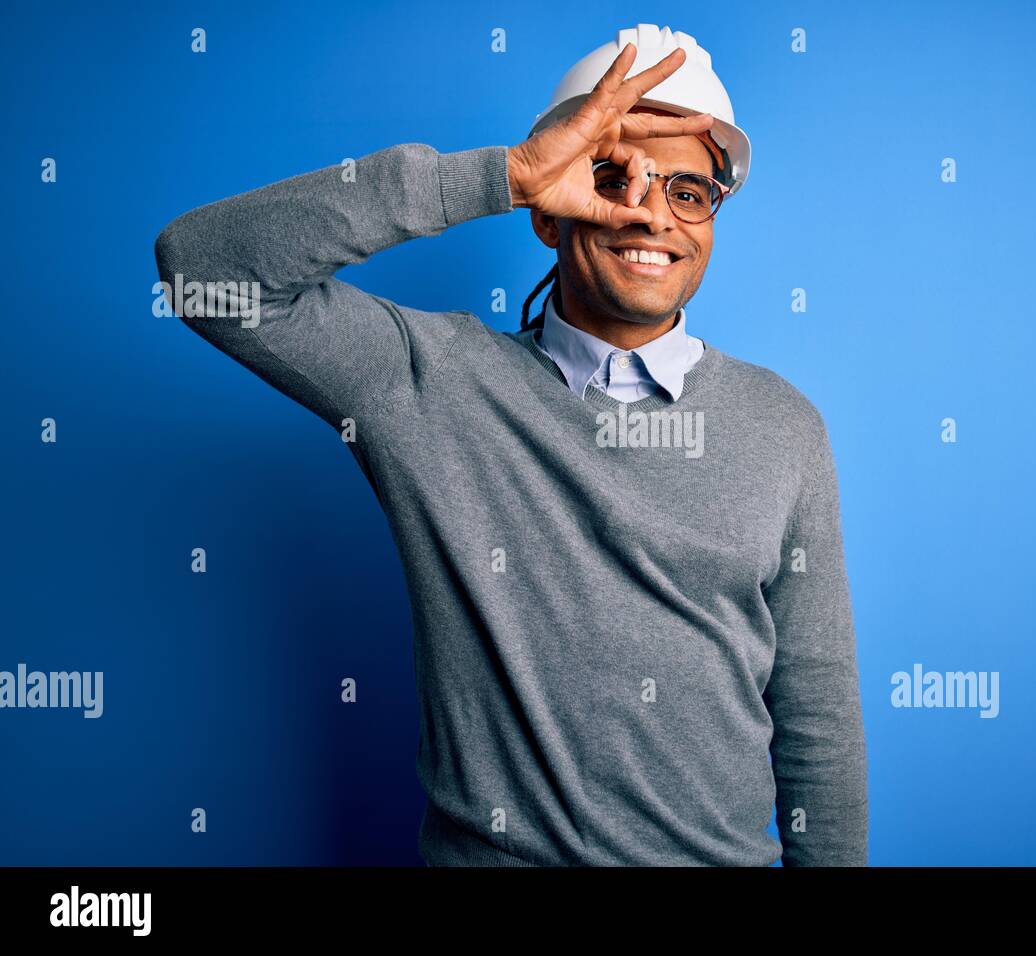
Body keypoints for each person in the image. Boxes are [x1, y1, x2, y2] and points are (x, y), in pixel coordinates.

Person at [154, 24, 867, 866]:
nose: (650, 212)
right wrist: (497, 177)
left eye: (689, 191)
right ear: (549, 212)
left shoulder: (784, 427)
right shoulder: (426, 383)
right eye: (613, 175)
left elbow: (817, 716)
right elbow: (202, 266)